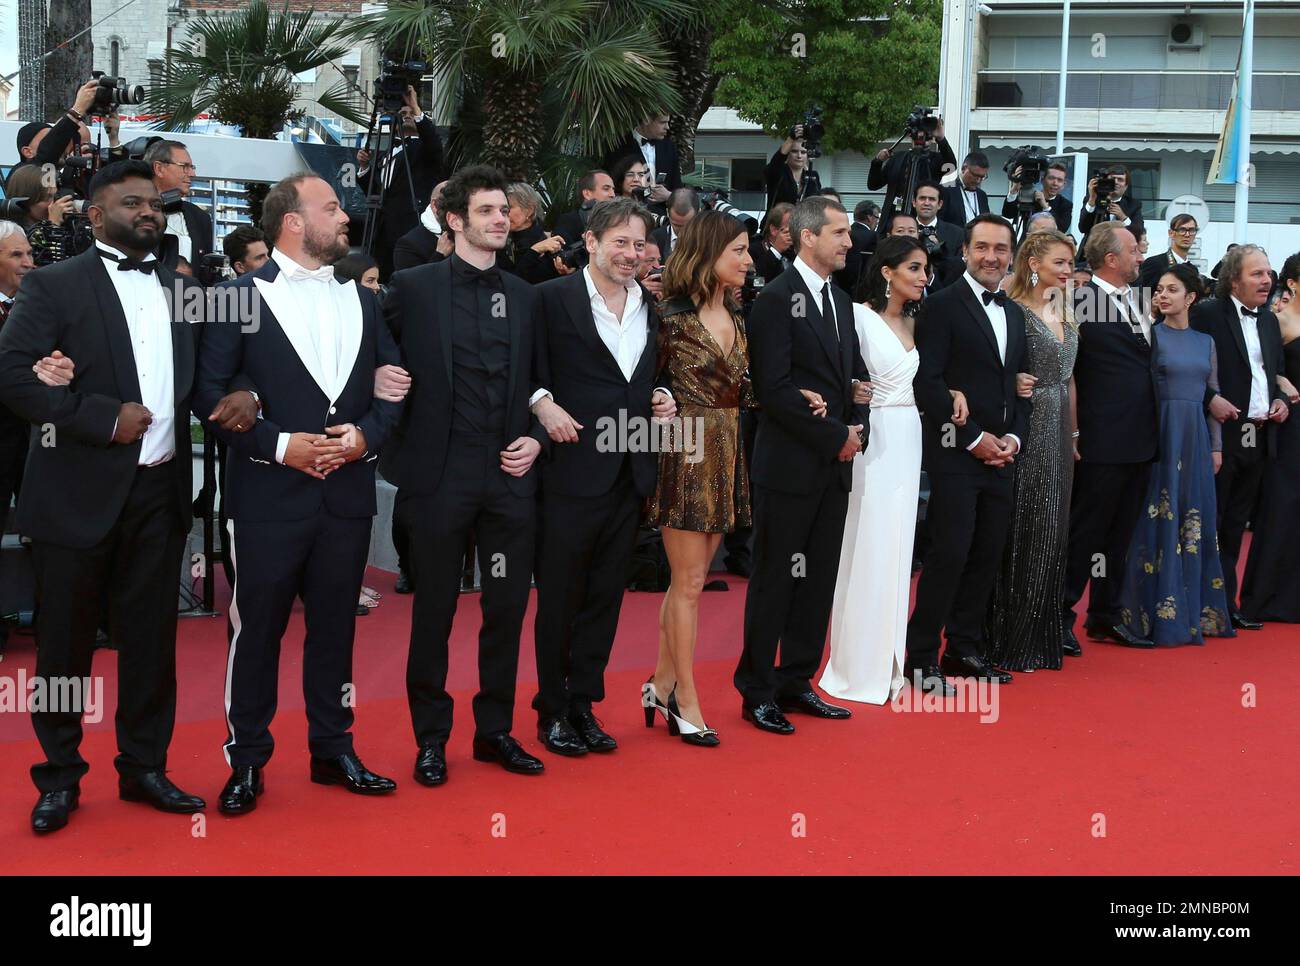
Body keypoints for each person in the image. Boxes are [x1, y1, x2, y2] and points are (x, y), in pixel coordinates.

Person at [0, 160, 259, 834]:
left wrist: (240, 397)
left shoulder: (183, 288)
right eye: (132, 202)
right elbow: (14, 381)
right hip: (75, 493)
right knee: (64, 650)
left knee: (151, 646)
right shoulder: (53, 286)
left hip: (160, 492)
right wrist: (98, 417)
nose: (149, 211)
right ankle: (57, 777)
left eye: (154, 202)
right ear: (93, 215)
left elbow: (210, 370)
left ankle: (144, 767)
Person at [195, 173, 404, 815]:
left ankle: (332, 747)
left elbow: (393, 387)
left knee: (336, 631)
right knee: (255, 633)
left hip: (346, 496)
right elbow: (207, 396)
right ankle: (248, 761)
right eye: (333, 207)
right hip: (266, 498)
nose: (347, 217)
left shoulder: (366, 302)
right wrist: (282, 445)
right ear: (292, 221)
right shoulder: (233, 297)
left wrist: (363, 439)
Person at [385, 165, 549, 783]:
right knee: (434, 612)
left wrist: (536, 441)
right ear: (455, 221)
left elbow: (545, 384)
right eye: (486, 211)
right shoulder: (413, 286)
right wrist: (380, 381)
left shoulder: (527, 295)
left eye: (503, 209)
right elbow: (375, 352)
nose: (501, 219)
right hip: (439, 475)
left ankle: (495, 731)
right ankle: (431, 738)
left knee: (506, 609)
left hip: (508, 474)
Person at [528, 198, 676, 754]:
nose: (630, 254)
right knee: (561, 597)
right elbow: (523, 366)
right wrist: (541, 403)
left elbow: (646, 378)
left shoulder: (650, 309)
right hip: (568, 470)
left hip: (629, 470)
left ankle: (584, 703)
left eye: (639, 245)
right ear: (590, 242)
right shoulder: (549, 299)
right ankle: (551, 710)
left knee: (605, 598)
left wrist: (662, 395)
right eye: (620, 242)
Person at [736, 196, 870, 733]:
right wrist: (835, 434)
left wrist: (856, 423)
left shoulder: (840, 299)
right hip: (789, 466)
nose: (849, 241)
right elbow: (773, 387)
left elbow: (852, 377)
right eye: (839, 232)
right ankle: (757, 690)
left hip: (834, 465)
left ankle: (796, 680)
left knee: (816, 580)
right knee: (775, 579)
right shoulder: (775, 298)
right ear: (807, 236)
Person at [641, 210, 758, 745]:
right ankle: (685, 698)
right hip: (685, 451)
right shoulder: (668, 317)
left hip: (727, 447)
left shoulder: (737, 314)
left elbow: (745, 389)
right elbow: (645, 381)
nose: (749, 259)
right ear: (709, 254)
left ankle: (660, 684)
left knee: (684, 583)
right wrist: (659, 395)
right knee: (688, 585)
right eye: (738, 250)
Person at [904, 214, 1028, 693]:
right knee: (948, 555)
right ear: (965, 251)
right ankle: (921, 658)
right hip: (957, 452)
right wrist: (976, 439)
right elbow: (929, 382)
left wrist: (1012, 440)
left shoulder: (1015, 313)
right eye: (982, 247)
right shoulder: (940, 306)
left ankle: (964, 648)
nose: (991, 256)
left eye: (1000, 248)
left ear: (1012, 255)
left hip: (1003, 456)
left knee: (986, 554)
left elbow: (1019, 388)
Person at [821, 237, 925, 703]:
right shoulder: (858, 316)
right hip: (872, 436)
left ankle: (889, 663)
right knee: (865, 543)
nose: (924, 277)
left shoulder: (916, 320)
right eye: (914, 268)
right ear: (887, 272)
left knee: (900, 546)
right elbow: (844, 375)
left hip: (910, 435)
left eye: (925, 269)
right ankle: (854, 664)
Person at [1118, 263, 1234, 645]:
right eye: (1158, 291)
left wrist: (1216, 447)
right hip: (1159, 433)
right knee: (1155, 517)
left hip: (1196, 439)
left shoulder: (1206, 342)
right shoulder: (1150, 336)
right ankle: (1149, 612)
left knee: (1193, 520)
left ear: (1191, 297)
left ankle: (1195, 610)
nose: (1162, 296)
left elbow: (1211, 392)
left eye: (1171, 290)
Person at [982, 229, 1079, 671]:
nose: (1068, 271)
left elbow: (1070, 378)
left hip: (1060, 426)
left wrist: (1075, 436)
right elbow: (997, 368)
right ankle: (1007, 637)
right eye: (1060, 262)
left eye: (1071, 263)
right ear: (1034, 263)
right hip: (1027, 423)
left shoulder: (1068, 311)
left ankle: (1041, 635)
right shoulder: (1014, 311)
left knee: (1054, 527)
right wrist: (1014, 385)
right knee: (1023, 521)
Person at [1062, 222, 1160, 649]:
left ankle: (1104, 614)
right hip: (1101, 438)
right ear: (1111, 259)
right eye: (1135, 250)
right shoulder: (1079, 302)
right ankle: (1059, 614)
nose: (1141, 257)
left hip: (1140, 438)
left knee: (1119, 535)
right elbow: (1070, 374)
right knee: (1086, 531)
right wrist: (1075, 431)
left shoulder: (1139, 301)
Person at [1190, 244, 1290, 630]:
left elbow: (1273, 372)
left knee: (1235, 525)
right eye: (1257, 274)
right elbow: (1184, 366)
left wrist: (1281, 400)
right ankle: (1200, 603)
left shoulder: (1267, 320)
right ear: (1234, 280)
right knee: (1209, 522)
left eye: (1268, 273)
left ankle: (1224, 604)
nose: (1267, 280)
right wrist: (1211, 399)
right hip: (1220, 435)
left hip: (1259, 433)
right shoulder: (1208, 314)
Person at [1241, 252, 1300, 621]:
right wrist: (1281, 383)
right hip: (1291, 425)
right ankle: (1265, 598)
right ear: (1292, 283)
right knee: (1283, 506)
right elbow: (1259, 365)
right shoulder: (1279, 321)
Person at [357, 85, 445, 279]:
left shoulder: (424, 151)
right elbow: (377, 191)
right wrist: (365, 168)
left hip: (409, 228)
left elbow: (434, 144)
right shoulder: (386, 154)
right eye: (402, 112)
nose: (407, 115)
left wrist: (415, 106)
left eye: (410, 113)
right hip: (381, 234)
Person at [6, 79, 100, 187]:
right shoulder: (20, 174)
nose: (58, 146)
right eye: (47, 140)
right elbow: (45, 157)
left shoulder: (61, 175)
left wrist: (113, 139)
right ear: (28, 152)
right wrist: (77, 110)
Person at [144, 139, 214, 268]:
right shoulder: (134, 213)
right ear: (159, 168)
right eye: (185, 167)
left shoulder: (200, 218)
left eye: (192, 167)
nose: (192, 174)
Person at [602, 113, 681, 198]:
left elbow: (676, 185)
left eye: (668, 122)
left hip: (661, 209)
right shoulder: (618, 146)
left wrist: (669, 196)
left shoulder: (669, 147)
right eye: (662, 122)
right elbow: (609, 182)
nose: (667, 127)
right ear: (646, 120)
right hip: (627, 207)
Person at [499, 182, 562, 284]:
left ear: (529, 210)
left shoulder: (552, 241)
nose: (503, 213)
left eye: (508, 208)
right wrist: (534, 251)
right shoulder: (500, 244)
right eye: (501, 209)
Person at [392, 180, 453, 271]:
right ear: (434, 205)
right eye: (451, 206)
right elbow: (410, 283)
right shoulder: (408, 245)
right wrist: (439, 255)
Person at [1002, 160, 1073, 235]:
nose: (1055, 183)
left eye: (1059, 180)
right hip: (1027, 243)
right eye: (1051, 178)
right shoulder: (1030, 197)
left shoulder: (1066, 204)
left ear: (1064, 184)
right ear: (1042, 180)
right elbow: (1008, 214)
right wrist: (1014, 189)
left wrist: (1045, 206)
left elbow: (1061, 229)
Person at [1078, 165, 1144, 246]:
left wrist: (1123, 217)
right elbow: (1082, 228)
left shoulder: (1134, 205)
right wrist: (1092, 200)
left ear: (1126, 186)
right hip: (1092, 251)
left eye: (1120, 180)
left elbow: (1139, 233)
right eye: (1112, 179)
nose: (1116, 182)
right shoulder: (1092, 199)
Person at [1137, 214, 1201, 294]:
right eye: (1182, 230)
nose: (1187, 235)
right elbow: (1139, 295)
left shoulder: (1193, 269)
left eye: (1192, 230)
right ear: (1171, 233)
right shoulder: (1154, 263)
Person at [765, 124, 823, 208]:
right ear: (787, 153)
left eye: (803, 152)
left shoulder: (812, 176)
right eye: (794, 151)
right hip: (778, 219)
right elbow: (776, 162)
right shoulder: (779, 171)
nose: (799, 156)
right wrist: (791, 139)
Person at [553, 170, 616, 245]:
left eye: (613, 189)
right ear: (587, 194)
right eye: (606, 189)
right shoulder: (568, 221)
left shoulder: (617, 220)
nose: (613, 195)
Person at [938, 152, 991, 227]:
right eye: (975, 175)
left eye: (982, 177)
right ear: (964, 168)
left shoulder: (982, 195)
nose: (978, 181)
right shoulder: (945, 190)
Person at [749, 203, 793, 283]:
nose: (794, 232)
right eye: (789, 227)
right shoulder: (753, 250)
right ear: (774, 230)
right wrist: (777, 250)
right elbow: (757, 280)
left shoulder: (795, 251)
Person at [651, 188, 698, 259]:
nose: (682, 231)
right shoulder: (654, 240)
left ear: (698, 214)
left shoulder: (708, 241)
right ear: (667, 213)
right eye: (676, 225)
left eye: (687, 225)